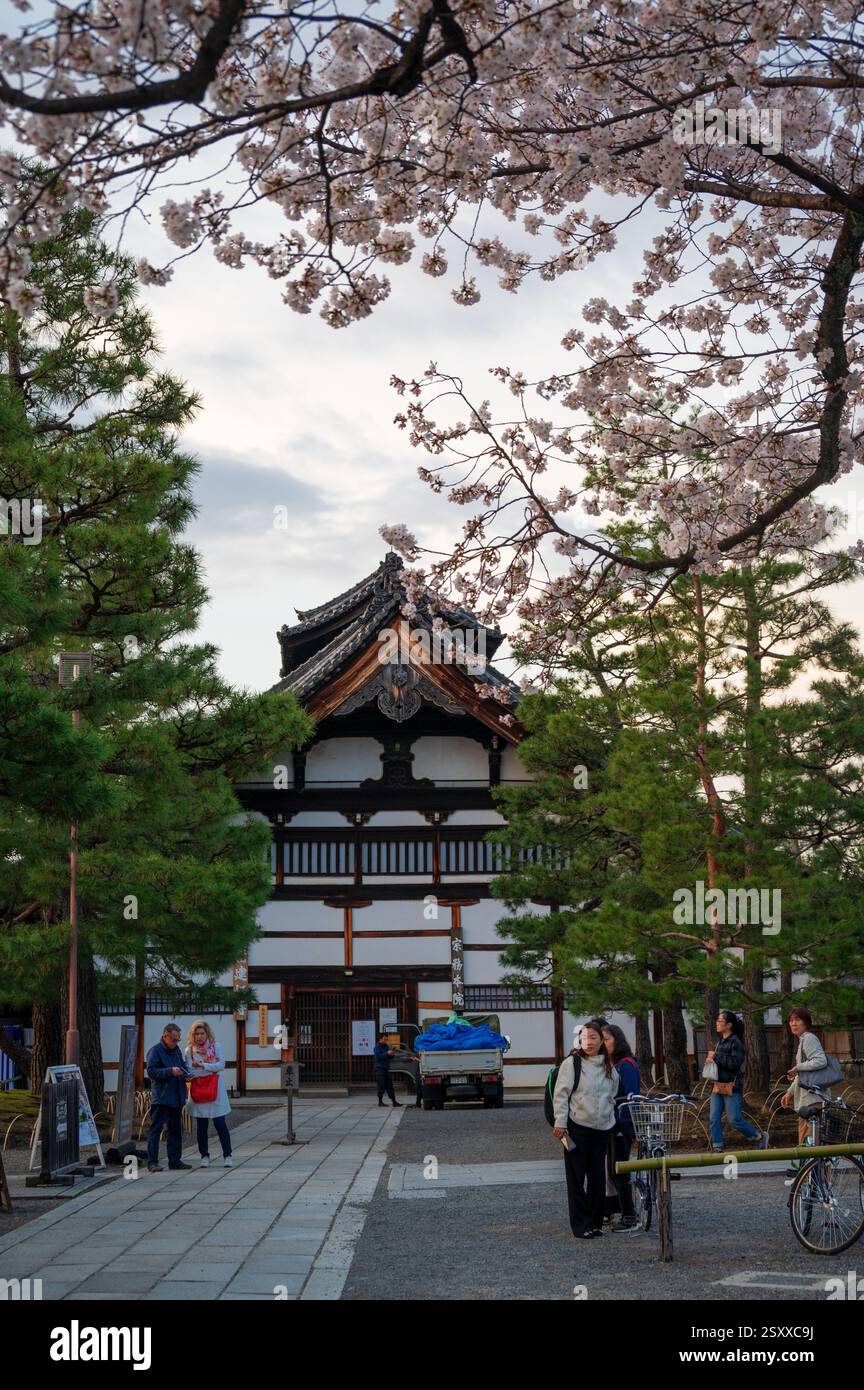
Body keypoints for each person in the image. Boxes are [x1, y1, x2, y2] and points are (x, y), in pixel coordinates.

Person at [552, 1019, 618, 1240]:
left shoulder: (608, 1066)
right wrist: (560, 1124)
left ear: (601, 1041)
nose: (588, 1042)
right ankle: (580, 1225)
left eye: (593, 1037)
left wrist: (611, 1119)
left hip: (601, 1129)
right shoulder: (573, 1063)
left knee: (598, 1178)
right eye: (584, 1037)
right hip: (576, 1128)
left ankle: (595, 1222)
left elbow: (613, 1094)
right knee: (576, 1178)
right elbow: (560, 1095)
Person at [706, 1010, 768, 1152]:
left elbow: (734, 1063)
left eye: (720, 1021)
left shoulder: (736, 1042)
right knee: (714, 1118)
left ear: (729, 1025)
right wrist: (710, 1062)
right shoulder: (720, 1042)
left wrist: (716, 1057)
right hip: (717, 1085)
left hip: (732, 1086)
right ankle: (717, 1145)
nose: (717, 1023)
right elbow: (720, 1062)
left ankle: (759, 1136)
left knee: (734, 1119)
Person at [780, 1007, 830, 1172]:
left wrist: (798, 1067)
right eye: (791, 1020)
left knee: (811, 1142)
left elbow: (820, 1060)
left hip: (813, 1099)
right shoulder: (803, 1040)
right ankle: (809, 1180)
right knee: (808, 1141)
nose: (793, 1023)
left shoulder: (808, 1038)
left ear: (806, 1022)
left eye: (797, 1020)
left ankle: (814, 1180)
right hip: (809, 1099)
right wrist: (789, 1092)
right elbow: (803, 1075)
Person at [602, 1023, 640, 1231]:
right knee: (612, 1170)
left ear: (617, 1040)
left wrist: (622, 1124)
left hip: (620, 1126)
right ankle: (623, 1212)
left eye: (606, 1039)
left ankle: (630, 1215)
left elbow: (631, 1098)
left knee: (619, 1170)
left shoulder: (626, 1064)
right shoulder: (612, 1064)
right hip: (610, 1124)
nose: (603, 1043)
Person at [184, 1019, 233, 1168]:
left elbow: (221, 1065)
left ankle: (227, 1155)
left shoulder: (216, 1046)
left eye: (202, 1033)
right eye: (196, 1034)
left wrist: (203, 1065)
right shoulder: (189, 1050)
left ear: (207, 1033)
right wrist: (209, 1069)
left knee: (220, 1123)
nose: (199, 1036)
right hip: (199, 1088)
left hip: (214, 1088)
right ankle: (204, 1155)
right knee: (202, 1124)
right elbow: (190, 1071)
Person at [146, 1022, 192, 1173]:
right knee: (156, 1130)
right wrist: (170, 1071)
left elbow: (182, 1065)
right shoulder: (155, 1051)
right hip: (162, 1097)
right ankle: (152, 1162)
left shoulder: (177, 1051)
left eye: (178, 1039)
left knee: (175, 1131)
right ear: (165, 1036)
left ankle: (175, 1161)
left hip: (177, 1096)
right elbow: (152, 1072)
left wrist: (186, 1072)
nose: (176, 1042)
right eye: (174, 1039)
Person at [374, 1033, 402, 1108]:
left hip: (386, 1068)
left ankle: (394, 1101)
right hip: (379, 1069)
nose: (386, 1041)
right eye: (384, 1039)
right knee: (381, 1086)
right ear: (380, 1039)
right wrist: (387, 1053)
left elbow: (388, 1057)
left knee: (390, 1086)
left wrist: (391, 1054)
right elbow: (378, 1057)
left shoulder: (386, 1046)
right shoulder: (377, 1047)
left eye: (386, 1039)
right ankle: (380, 1101)